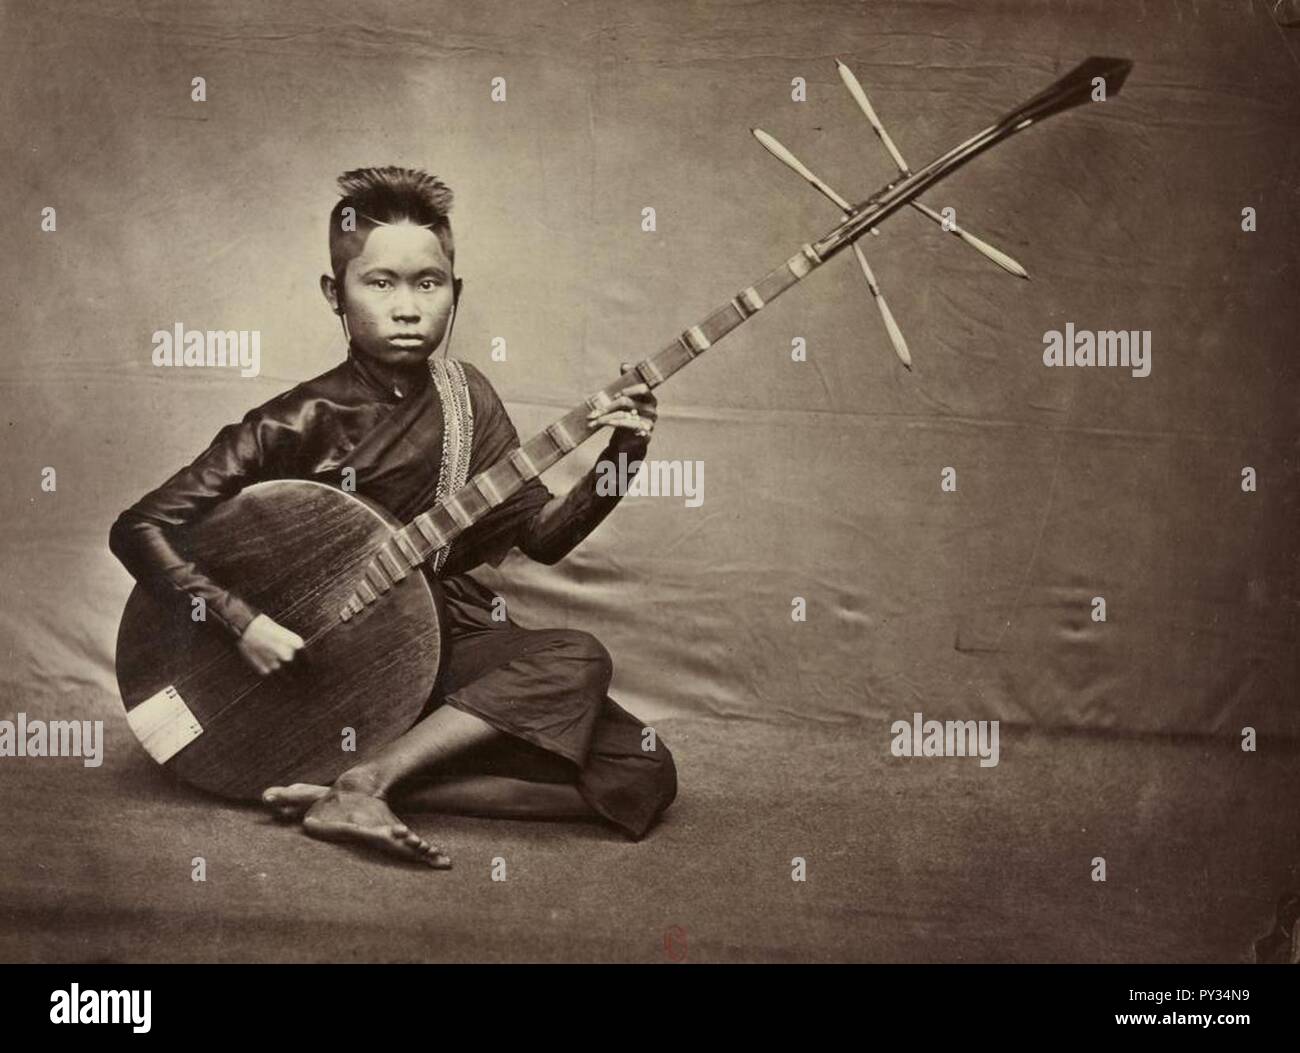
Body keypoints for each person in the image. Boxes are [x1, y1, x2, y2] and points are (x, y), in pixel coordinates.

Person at [109, 166, 677, 868]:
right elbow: (139, 526)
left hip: (434, 639)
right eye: (380, 284)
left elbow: (546, 538)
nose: (407, 307)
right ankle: (366, 780)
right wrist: (242, 621)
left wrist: (628, 443)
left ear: (455, 294)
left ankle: (359, 782)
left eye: (428, 284)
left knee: (641, 772)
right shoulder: (296, 420)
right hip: (310, 671)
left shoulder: (469, 399)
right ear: (335, 295)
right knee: (578, 659)